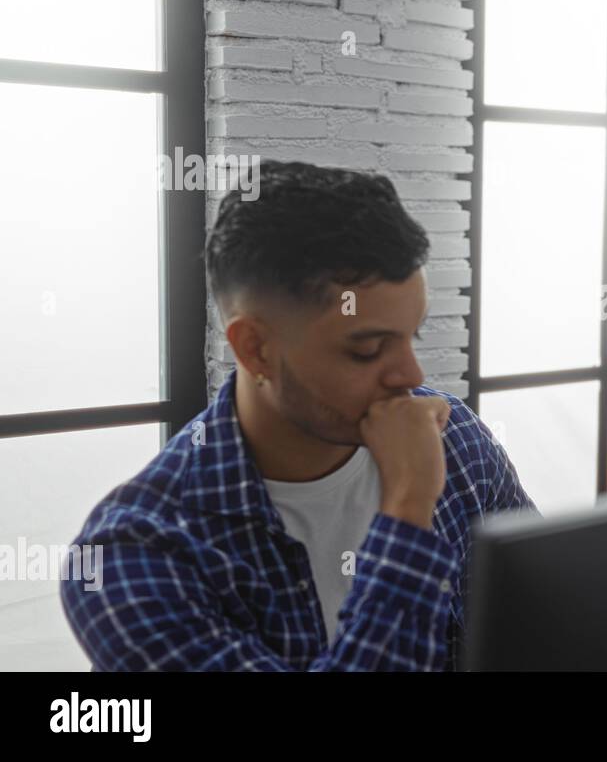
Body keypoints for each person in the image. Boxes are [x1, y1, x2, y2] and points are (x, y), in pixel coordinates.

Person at [60, 161, 534, 670]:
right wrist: (408, 510)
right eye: (368, 349)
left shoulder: (456, 440)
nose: (409, 374)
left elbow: (543, 616)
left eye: (410, 336)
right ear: (256, 349)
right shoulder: (132, 557)